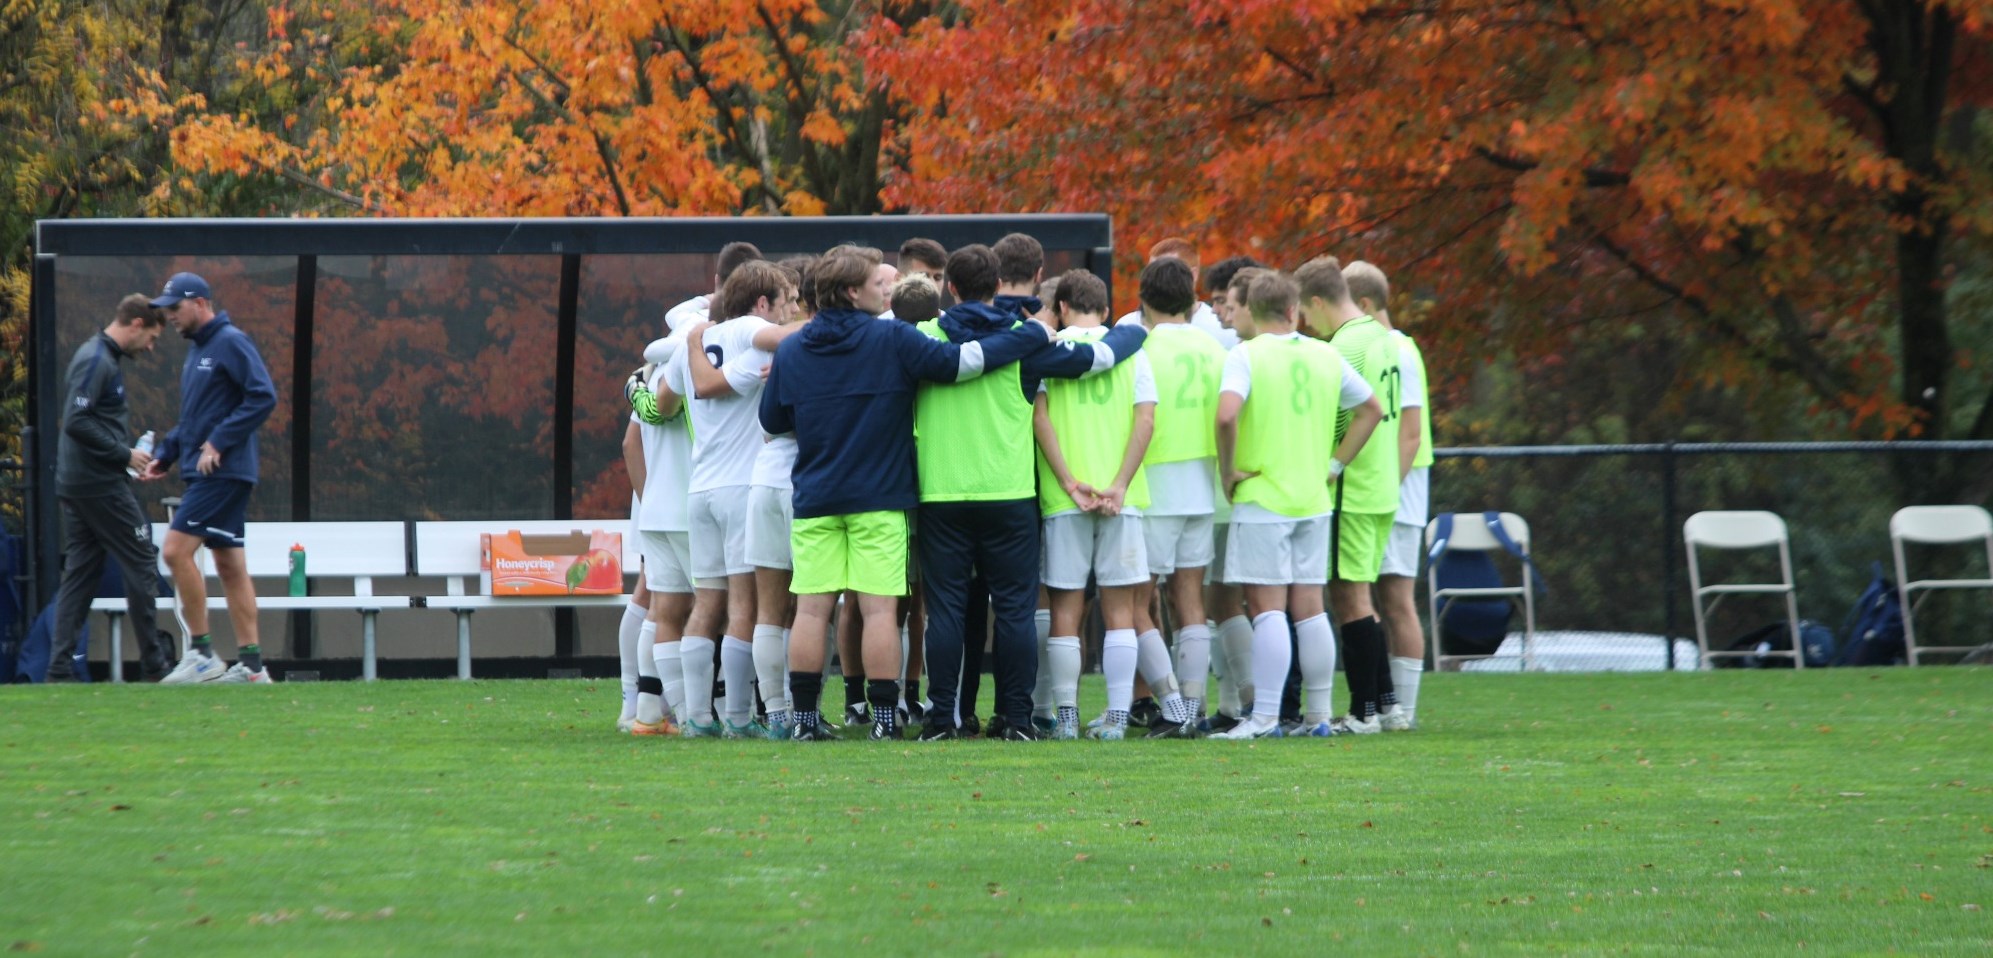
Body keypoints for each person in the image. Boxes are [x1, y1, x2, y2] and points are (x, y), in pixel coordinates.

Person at [760, 245, 1048, 741]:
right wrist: (1028, 339)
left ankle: (805, 721)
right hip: (880, 496)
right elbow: (962, 363)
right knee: (878, 611)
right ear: (853, 291)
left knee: (811, 608)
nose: (889, 289)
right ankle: (885, 720)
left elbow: (772, 421)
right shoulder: (890, 337)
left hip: (816, 496)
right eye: (879, 283)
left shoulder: (793, 348)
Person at [912, 248, 1147, 742]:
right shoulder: (1021, 342)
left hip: (942, 491)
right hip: (1009, 492)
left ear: (949, 288)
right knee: (1016, 610)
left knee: (948, 611)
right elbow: (1095, 358)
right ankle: (1017, 720)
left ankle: (943, 720)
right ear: (997, 285)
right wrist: (1134, 328)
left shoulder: (926, 338)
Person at [1210, 271, 1383, 740]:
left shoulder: (1245, 355)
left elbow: (1226, 414)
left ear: (1253, 308)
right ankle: (1319, 716)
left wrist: (1228, 469)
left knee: (1267, 609)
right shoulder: (1325, 354)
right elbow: (1373, 409)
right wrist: (1336, 464)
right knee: (1310, 608)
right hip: (1313, 498)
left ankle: (1265, 717)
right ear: (1293, 311)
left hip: (1263, 496)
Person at [665, 261, 806, 737]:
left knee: (706, 604)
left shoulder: (693, 346)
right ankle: (741, 719)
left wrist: (689, 336)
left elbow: (670, 396)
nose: (789, 313)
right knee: (745, 608)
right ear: (762, 304)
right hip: (742, 487)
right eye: (785, 303)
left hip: (701, 488)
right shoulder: (750, 328)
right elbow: (782, 340)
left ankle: (697, 718)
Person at [1032, 270, 1171, 741]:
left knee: (1066, 610)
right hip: (1121, 499)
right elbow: (1145, 422)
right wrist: (1119, 484)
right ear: (1107, 311)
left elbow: (1041, 420)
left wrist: (1070, 482)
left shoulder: (1049, 352)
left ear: (1062, 308)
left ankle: (1067, 717)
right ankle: (1115, 717)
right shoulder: (1133, 351)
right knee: (1121, 612)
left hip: (1063, 498)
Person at [139, 272, 278, 685]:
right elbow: (194, 420)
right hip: (209, 471)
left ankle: (201, 653)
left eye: (175, 308)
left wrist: (219, 442)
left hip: (222, 472)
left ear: (200, 303)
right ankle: (252, 668)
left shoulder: (230, 341)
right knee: (230, 564)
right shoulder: (197, 351)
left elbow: (263, 395)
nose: (170, 318)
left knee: (175, 550)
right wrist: (166, 454)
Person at [1296, 256, 1402, 734]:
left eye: (1305, 311)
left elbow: (1347, 415)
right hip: (1381, 482)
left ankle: (1363, 714)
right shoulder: (1383, 336)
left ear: (1317, 302)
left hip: (1352, 486)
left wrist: (1330, 462)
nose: (1305, 323)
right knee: (1362, 593)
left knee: (1349, 597)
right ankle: (1386, 703)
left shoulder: (1345, 345)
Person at [46, 294, 172, 683]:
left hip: (80, 483)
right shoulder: (96, 359)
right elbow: (76, 421)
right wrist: (123, 454)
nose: (150, 347)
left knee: (81, 573)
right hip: (98, 485)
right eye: (151, 338)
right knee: (141, 559)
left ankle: (59, 669)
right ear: (135, 324)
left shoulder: (99, 356)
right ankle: (155, 666)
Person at [1128, 258, 1226, 732]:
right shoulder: (1213, 348)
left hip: (1155, 486)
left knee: (1135, 601)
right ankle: (1195, 705)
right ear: (1191, 298)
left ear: (1143, 300)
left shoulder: (1141, 346)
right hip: (1202, 485)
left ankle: (1171, 704)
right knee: (1190, 599)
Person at [1345, 259, 1430, 731]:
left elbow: (1411, 433)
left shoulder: (1397, 348)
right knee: (1373, 596)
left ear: (1362, 304)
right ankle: (1387, 703)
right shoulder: (1387, 347)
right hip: (1384, 485)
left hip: (1396, 486)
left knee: (1394, 598)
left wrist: (1389, 488)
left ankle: (1402, 710)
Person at [1114, 238, 1236, 348]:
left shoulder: (1221, 327)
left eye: (1167, 272)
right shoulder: (1128, 325)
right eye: (1151, 272)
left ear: (1193, 275)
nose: (1155, 279)